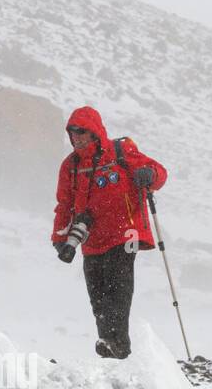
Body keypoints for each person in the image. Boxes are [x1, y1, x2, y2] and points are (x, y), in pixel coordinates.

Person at [51, 106, 167, 359]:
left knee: (118, 288)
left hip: (124, 233)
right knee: (98, 296)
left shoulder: (120, 151)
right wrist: (60, 238)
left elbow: (159, 172)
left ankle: (119, 345)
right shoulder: (70, 166)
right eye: (72, 132)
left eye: (82, 131)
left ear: (94, 132)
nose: (76, 137)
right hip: (91, 239)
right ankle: (108, 345)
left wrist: (150, 174)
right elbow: (64, 204)